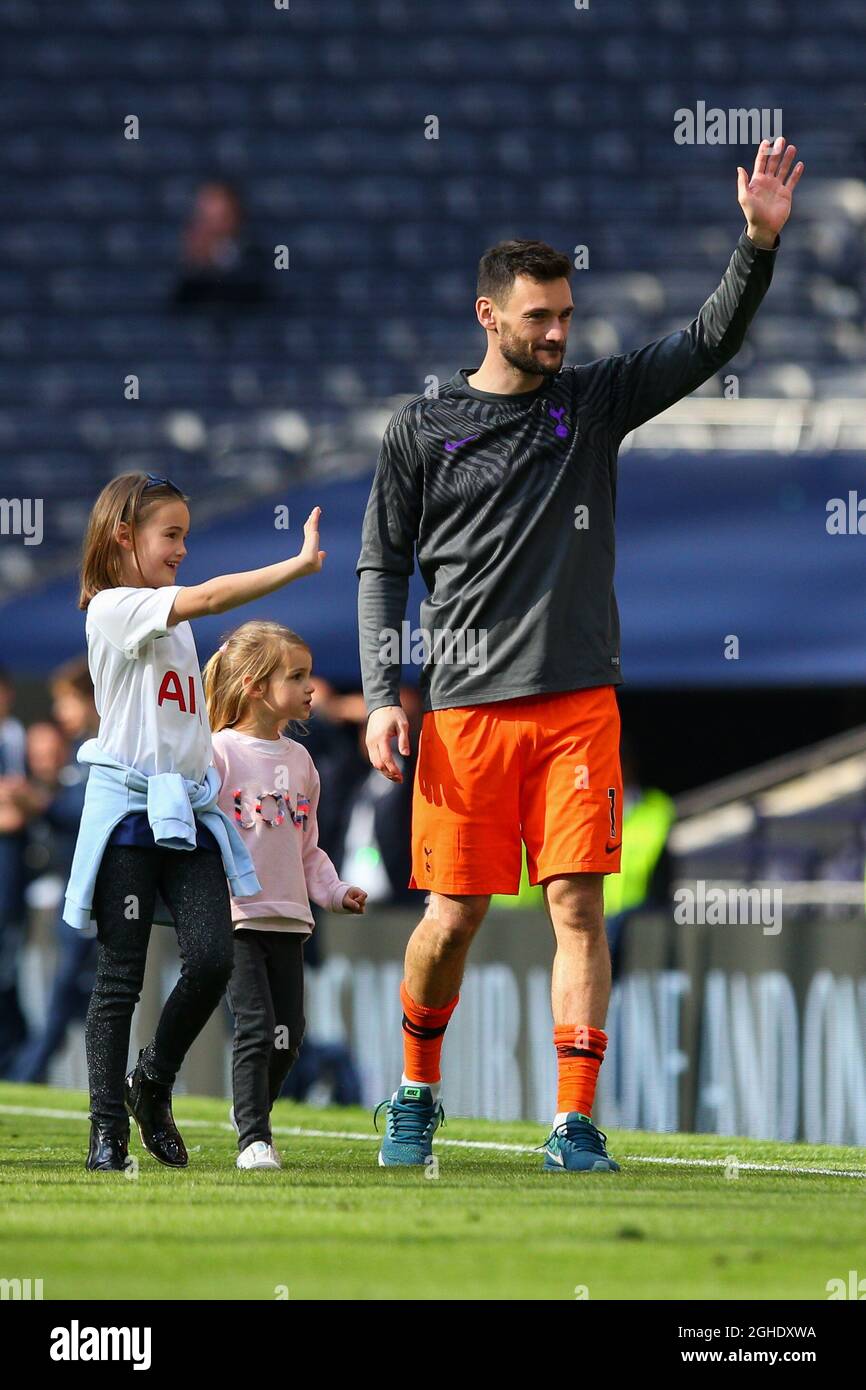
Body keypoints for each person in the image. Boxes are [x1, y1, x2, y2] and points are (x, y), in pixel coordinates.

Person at [357, 138, 804, 1172]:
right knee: (450, 917)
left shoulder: (591, 402)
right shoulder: (422, 429)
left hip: (574, 706)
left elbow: (704, 343)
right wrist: (385, 694)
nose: (557, 333)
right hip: (463, 712)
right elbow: (379, 565)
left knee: (575, 906)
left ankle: (569, 1121)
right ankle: (414, 1093)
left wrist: (755, 244)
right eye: (538, 318)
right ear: (488, 316)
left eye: (564, 316)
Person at [63, 471, 326, 1173]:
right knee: (120, 977)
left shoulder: (167, 621)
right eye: (170, 534)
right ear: (124, 535)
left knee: (211, 958)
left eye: (184, 534)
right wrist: (296, 566)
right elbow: (209, 597)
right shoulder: (114, 607)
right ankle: (106, 1130)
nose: (182, 548)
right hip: (129, 814)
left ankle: (150, 1082)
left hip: (186, 812)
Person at [203, 621, 367, 1170]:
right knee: (254, 1026)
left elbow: (308, 850)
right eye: (295, 677)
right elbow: (200, 833)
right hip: (238, 917)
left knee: (288, 1035)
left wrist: (336, 891)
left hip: (290, 922)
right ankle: (254, 1138)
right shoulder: (219, 753)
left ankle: (251, 1111)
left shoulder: (302, 764)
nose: (310, 687)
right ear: (253, 686)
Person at [10, 660, 100, 1083]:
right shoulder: (79, 750)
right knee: (70, 993)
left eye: (66, 701)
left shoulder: (97, 751)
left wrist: (41, 804)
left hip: (94, 895)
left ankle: (29, 1073)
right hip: (74, 893)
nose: (61, 712)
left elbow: (84, 812)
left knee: (66, 991)